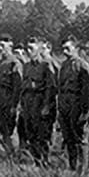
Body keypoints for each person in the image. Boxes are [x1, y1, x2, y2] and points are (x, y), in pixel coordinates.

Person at [19, 37, 57, 166]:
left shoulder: (46, 65)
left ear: (40, 49)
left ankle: (45, 161)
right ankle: (36, 161)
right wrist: (22, 105)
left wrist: (46, 106)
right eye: (27, 48)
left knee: (42, 134)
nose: (28, 51)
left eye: (31, 48)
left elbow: (50, 87)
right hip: (28, 102)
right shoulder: (26, 66)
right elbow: (23, 87)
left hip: (40, 101)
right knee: (30, 133)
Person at [56, 36, 89, 171]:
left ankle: (82, 169)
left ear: (76, 48)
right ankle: (72, 166)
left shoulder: (83, 65)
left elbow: (86, 91)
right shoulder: (64, 65)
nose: (65, 51)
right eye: (63, 49)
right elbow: (60, 88)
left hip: (77, 104)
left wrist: (85, 111)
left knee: (80, 139)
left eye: (68, 48)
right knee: (68, 138)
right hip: (65, 104)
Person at [0, 34, 22, 153]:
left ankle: (14, 153)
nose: (0, 48)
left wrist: (14, 105)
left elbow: (17, 86)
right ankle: (7, 152)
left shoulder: (15, 63)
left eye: (3, 46)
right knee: (1, 126)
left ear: (10, 46)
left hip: (9, 97)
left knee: (10, 128)